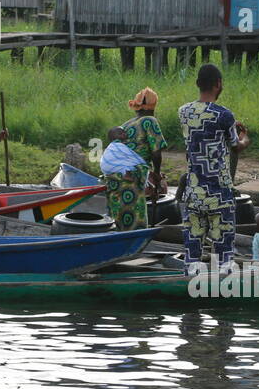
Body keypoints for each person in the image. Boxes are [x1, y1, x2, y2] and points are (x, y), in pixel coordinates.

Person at [177, 65, 250, 267]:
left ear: (198, 84)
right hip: (220, 195)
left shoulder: (183, 112)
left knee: (192, 256)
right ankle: (221, 290)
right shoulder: (225, 115)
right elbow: (236, 146)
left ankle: (191, 287)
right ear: (218, 84)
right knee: (224, 257)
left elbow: (202, 131)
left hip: (194, 193)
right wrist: (245, 137)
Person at [108, 88, 169, 232]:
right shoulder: (150, 121)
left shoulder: (127, 124)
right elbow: (156, 152)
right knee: (136, 218)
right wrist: (157, 175)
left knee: (119, 216)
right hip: (132, 174)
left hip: (114, 173)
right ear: (154, 105)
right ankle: (134, 247)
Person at [100, 126, 149, 231]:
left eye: (124, 132)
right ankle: (134, 229)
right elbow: (137, 160)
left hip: (112, 178)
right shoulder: (121, 147)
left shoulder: (111, 148)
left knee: (116, 207)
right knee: (130, 167)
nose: (125, 134)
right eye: (122, 133)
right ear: (117, 136)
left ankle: (116, 228)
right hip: (122, 176)